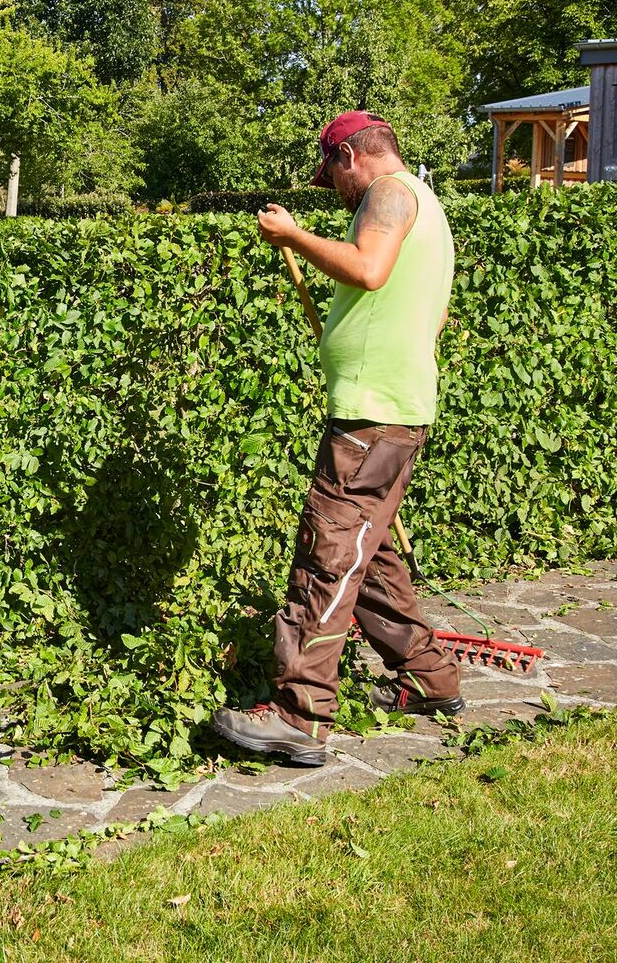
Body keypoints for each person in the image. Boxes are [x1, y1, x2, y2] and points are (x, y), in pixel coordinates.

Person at [212, 110, 464, 766]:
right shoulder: (431, 208)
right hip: (398, 408)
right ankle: (429, 680)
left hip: (370, 414)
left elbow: (369, 268)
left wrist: (294, 237)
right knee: (368, 557)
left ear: (351, 156)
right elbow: (432, 315)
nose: (339, 194)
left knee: (326, 558)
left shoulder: (389, 192)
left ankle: (299, 717)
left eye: (334, 179)